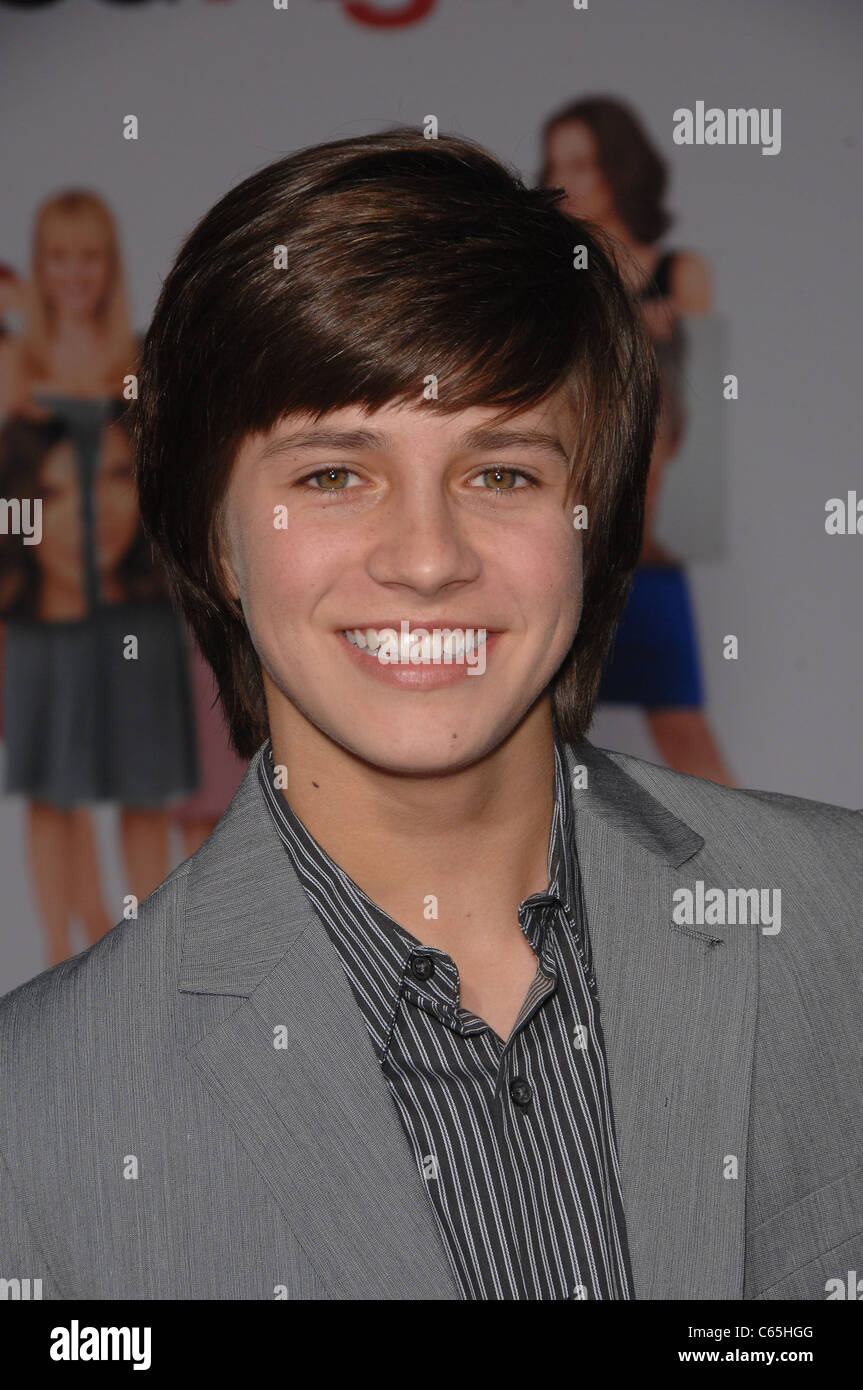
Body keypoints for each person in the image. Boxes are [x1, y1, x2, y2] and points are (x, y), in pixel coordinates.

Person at [0, 130, 859, 1301]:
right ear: (213, 534)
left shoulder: (840, 927)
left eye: (499, 472)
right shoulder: (33, 1117)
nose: (424, 557)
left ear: (592, 521)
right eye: (331, 475)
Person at [0, 192, 199, 962]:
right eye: (58, 257)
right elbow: (4, 501)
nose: (73, 273)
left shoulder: (141, 359)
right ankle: (58, 961)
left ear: (108, 265)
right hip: (45, 618)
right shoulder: (17, 364)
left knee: (142, 787)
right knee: (52, 791)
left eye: (88, 256)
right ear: (42, 265)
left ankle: (143, 962)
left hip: (137, 612)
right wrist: (26, 564)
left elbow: (169, 489)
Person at [540, 97, 733, 782]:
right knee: (535, 727)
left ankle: (749, 874)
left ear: (620, 169)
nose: (568, 182)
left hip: (645, 540)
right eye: (556, 165)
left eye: (584, 165)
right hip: (552, 533)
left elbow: (705, 416)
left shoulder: (679, 272)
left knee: (678, 721)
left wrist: (657, 347)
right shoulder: (545, 277)